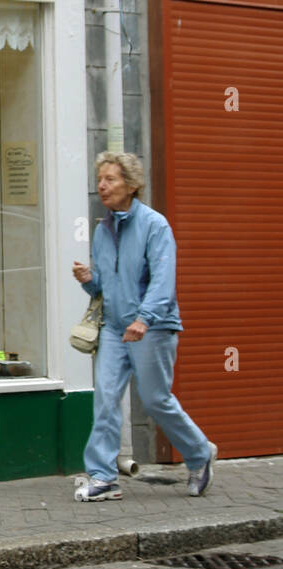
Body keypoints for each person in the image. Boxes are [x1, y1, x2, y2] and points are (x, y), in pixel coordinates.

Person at [70, 152, 216, 501]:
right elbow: (106, 284)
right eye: (100, 179)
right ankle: (103, 476)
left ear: (132, 186)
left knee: (155, 400)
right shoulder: (102, 228)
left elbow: (163, 281)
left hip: (152, 327)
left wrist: (144, 319)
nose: (102, 186)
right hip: (114, 327)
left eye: (110, 179)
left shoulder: (155, 225)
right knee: (105, 399)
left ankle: (199, 455)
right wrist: (89, 280)